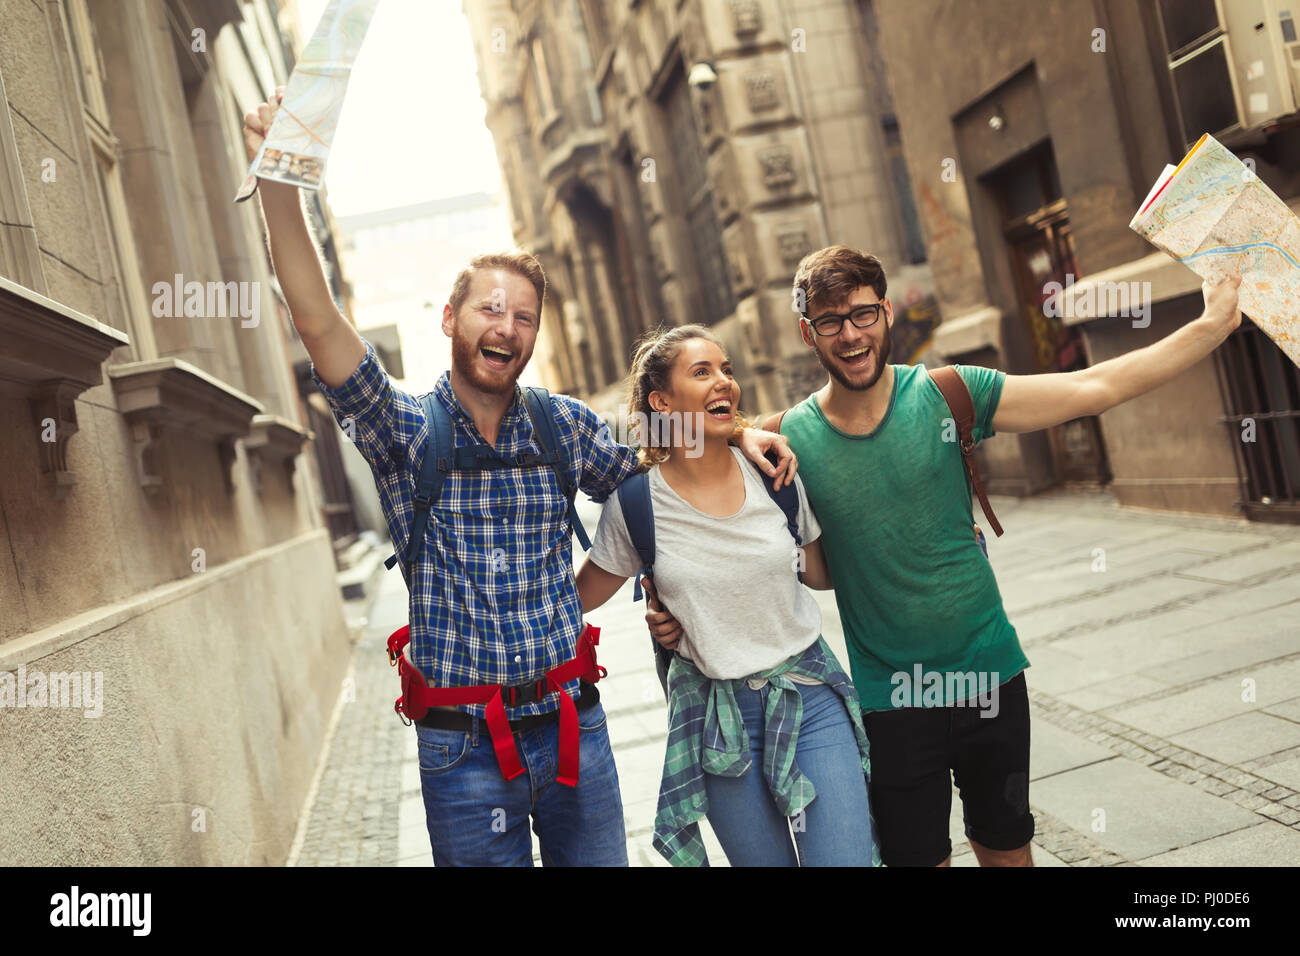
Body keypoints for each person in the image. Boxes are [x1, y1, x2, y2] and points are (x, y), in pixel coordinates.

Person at [242, 90, 797, 867]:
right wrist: (280, 177)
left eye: (524, 316)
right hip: (461, 752)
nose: (506, 327)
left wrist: (738, 430)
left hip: (576, 729)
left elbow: (655, 463)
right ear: (450, 319)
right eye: (489, 310)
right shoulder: (403, 429)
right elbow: (317, 321)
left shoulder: (560, 423)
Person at [645, 245, 1243, 868]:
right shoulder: (784, 439)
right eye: (830, 322)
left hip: (989, 675)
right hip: (892, 699)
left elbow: (1094, 386)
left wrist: (1210, 326)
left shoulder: (950, 393)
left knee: (1007, 852)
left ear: (885, 314)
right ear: (808, 333)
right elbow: (650, 436)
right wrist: (739, 430)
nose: (850, 336)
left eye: (862, 315)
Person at [576, 325, 879, 867]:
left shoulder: (773, 474)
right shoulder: (636, 504)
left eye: (727, 370)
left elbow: (820, 571)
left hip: (807, 697)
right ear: (661, 401)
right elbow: (578, 597)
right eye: (702, 372)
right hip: (716, 718)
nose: (724, 382)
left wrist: (910, 532)